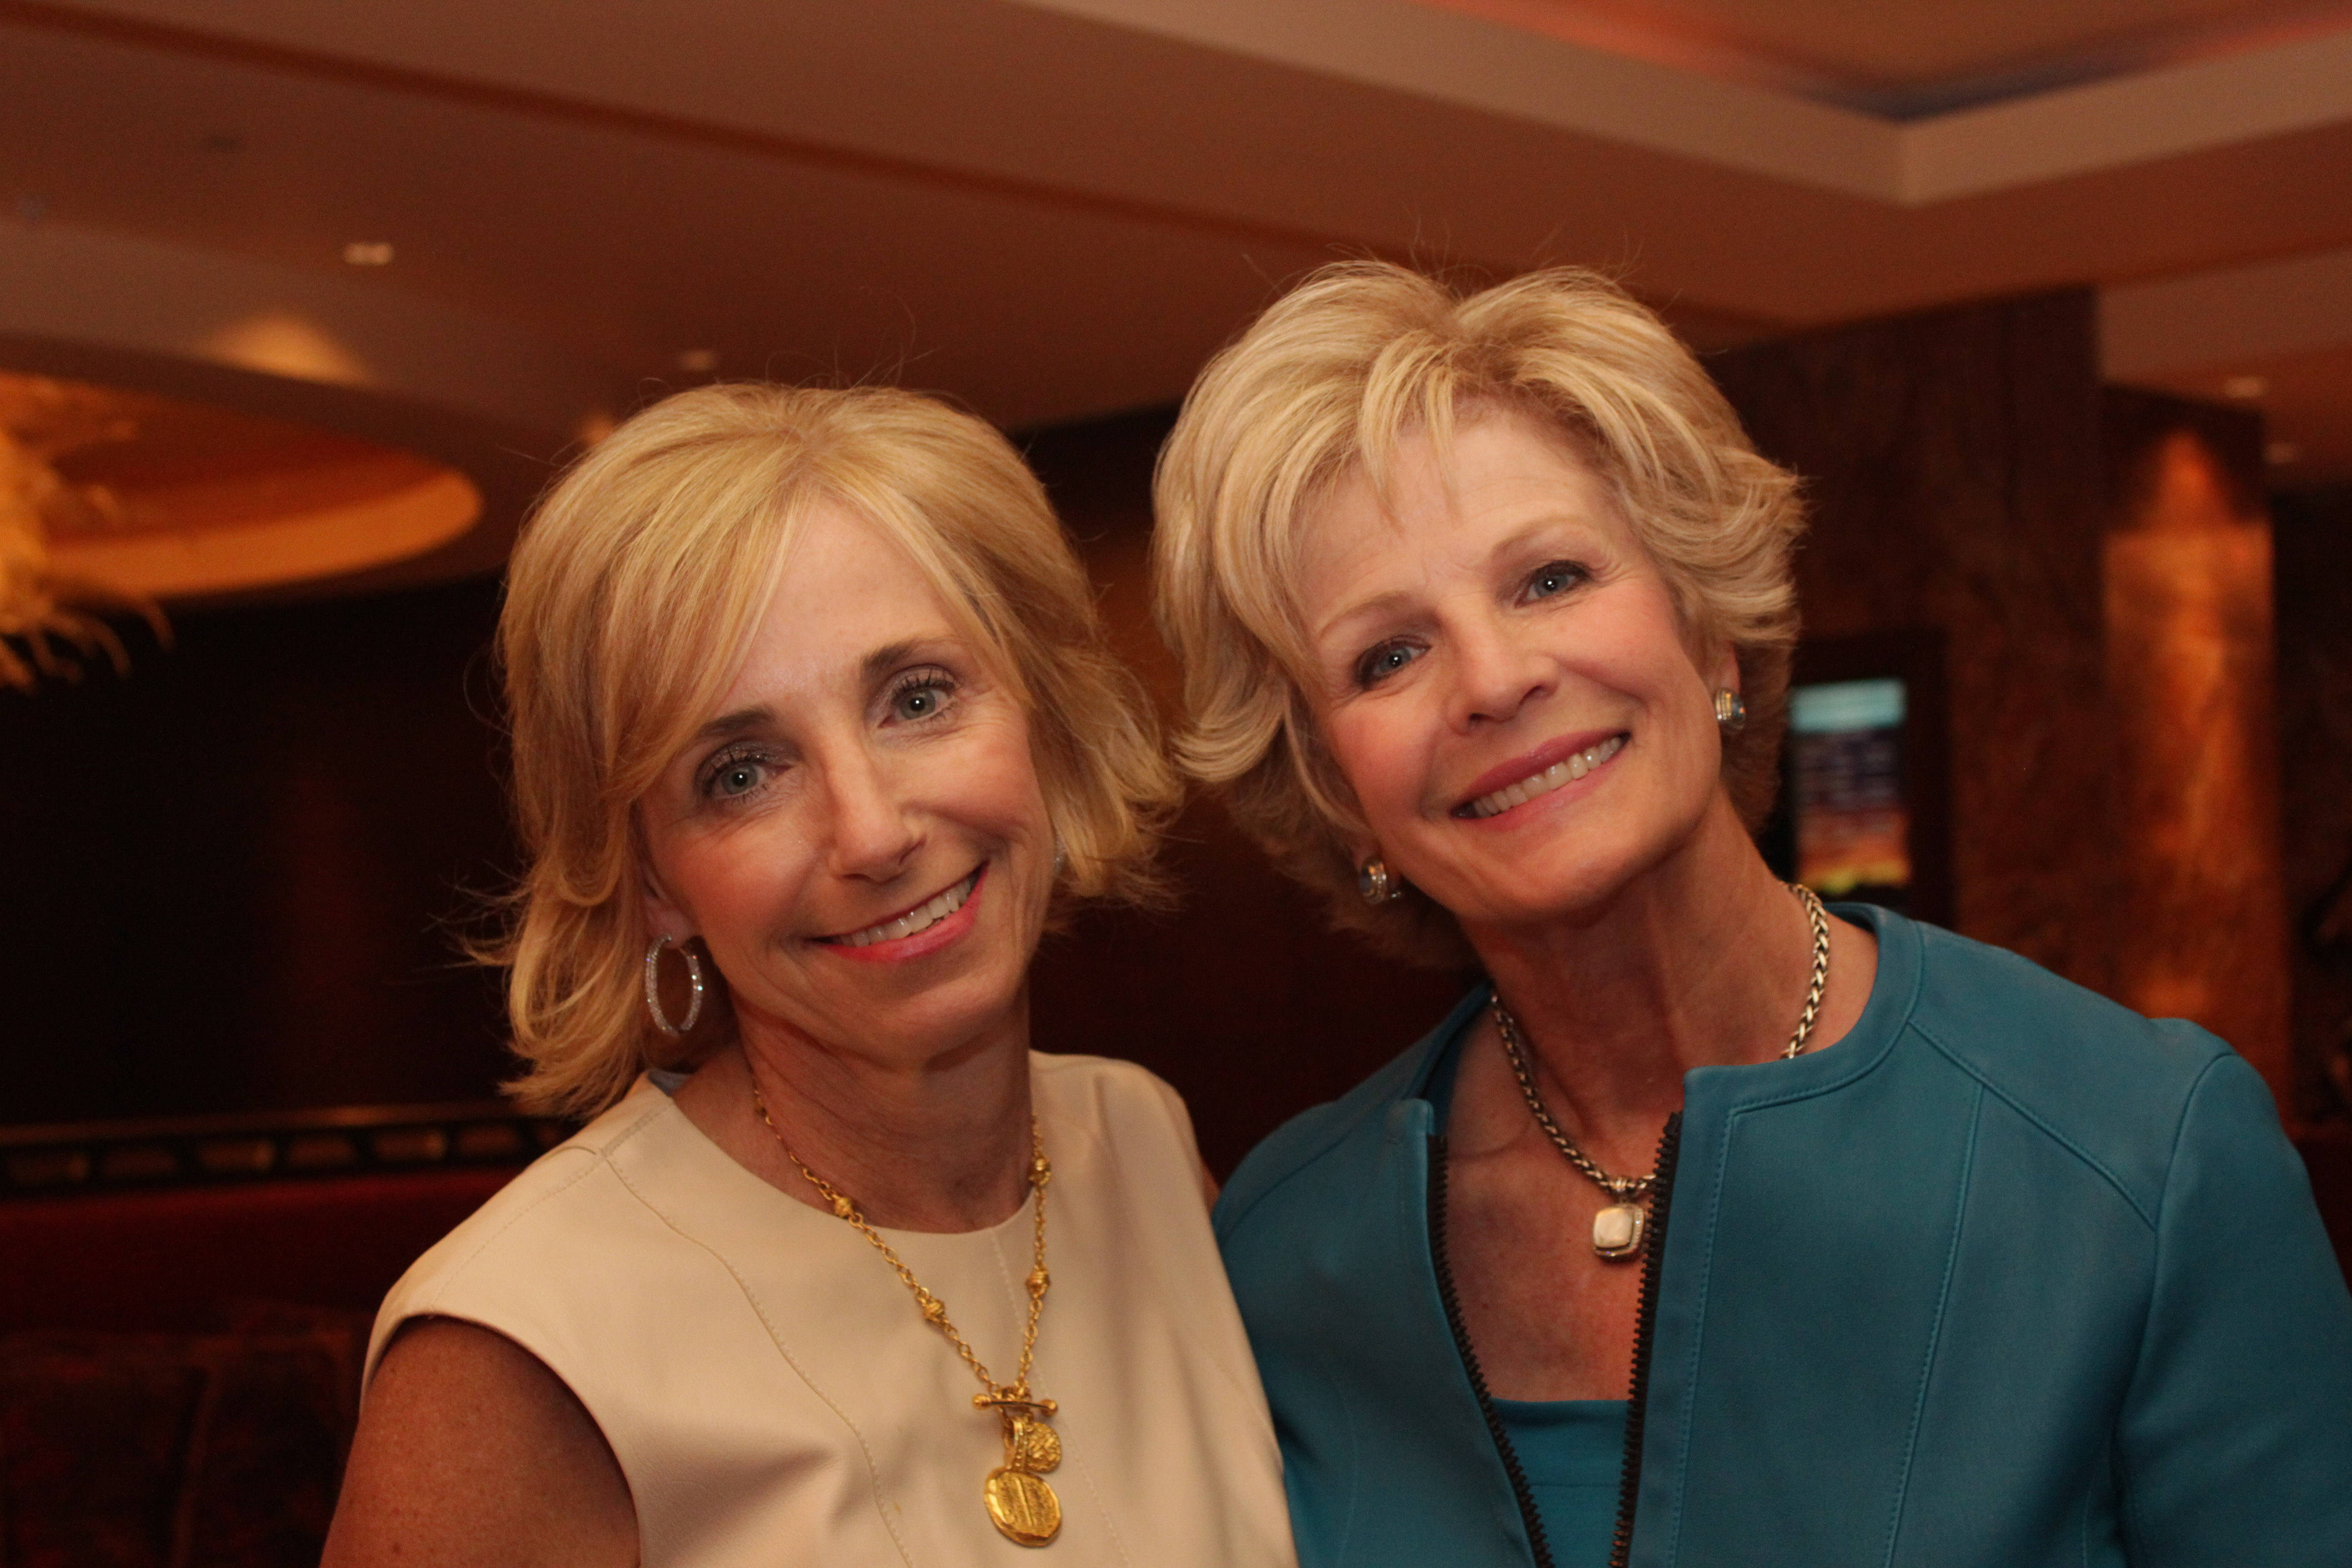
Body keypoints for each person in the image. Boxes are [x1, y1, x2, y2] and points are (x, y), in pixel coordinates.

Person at [1150, 261, 2352, 1568]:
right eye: (1388, 655)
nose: (1493, 679)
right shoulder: (1287, 1251)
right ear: (1336, 790)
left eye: (1551, 578)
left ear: (1711, 634)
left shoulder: (2138, 1158)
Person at [323, 383, 1298, 1567]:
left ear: (1045, 717)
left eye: (919, 699)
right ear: (652, 881)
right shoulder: (520, 1345)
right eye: (742, 772)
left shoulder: (1140, 1143)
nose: (873, 831)